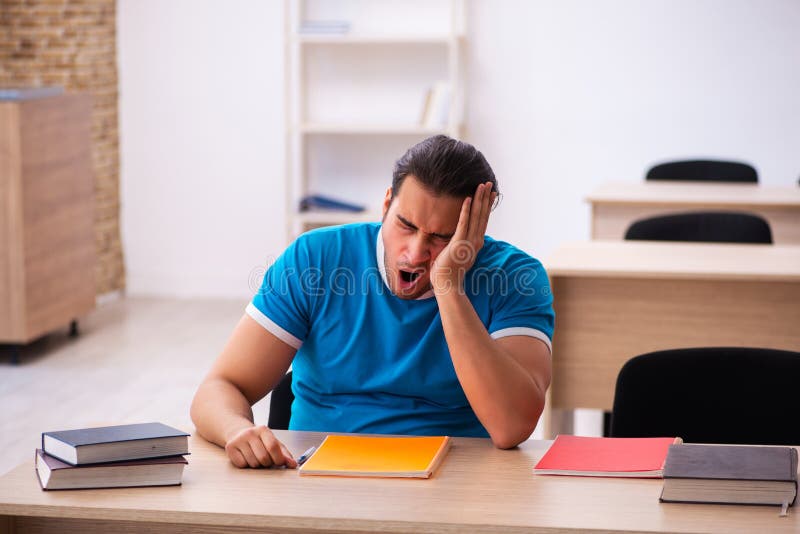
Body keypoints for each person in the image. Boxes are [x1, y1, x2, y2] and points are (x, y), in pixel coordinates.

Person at [190, 135, 554, 468]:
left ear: (475, 231)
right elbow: (219, 388)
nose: (415, 254)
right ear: (385, 206)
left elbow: (511, 426)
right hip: (321, 479)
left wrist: (448, 285)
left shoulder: (515, 277)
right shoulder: (315, 258)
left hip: (454, 483)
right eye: (406, 225)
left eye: (441, 238)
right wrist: (236, 429)